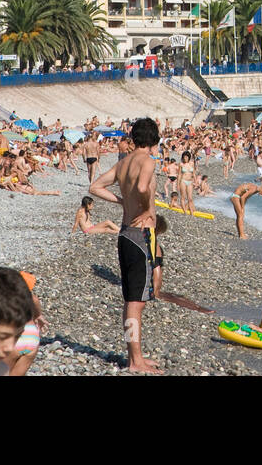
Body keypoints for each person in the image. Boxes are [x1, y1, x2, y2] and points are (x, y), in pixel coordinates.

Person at [89, 117, 161, 373]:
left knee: (132, 299)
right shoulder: (148, 161)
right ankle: (135, 361)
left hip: (124, 233)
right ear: (154, 139)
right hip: (139, 236)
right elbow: (142, 186)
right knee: (136, 302)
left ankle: (135, 355)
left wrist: (121, 201)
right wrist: (148, 207)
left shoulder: (123, 163)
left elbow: (95, 186)